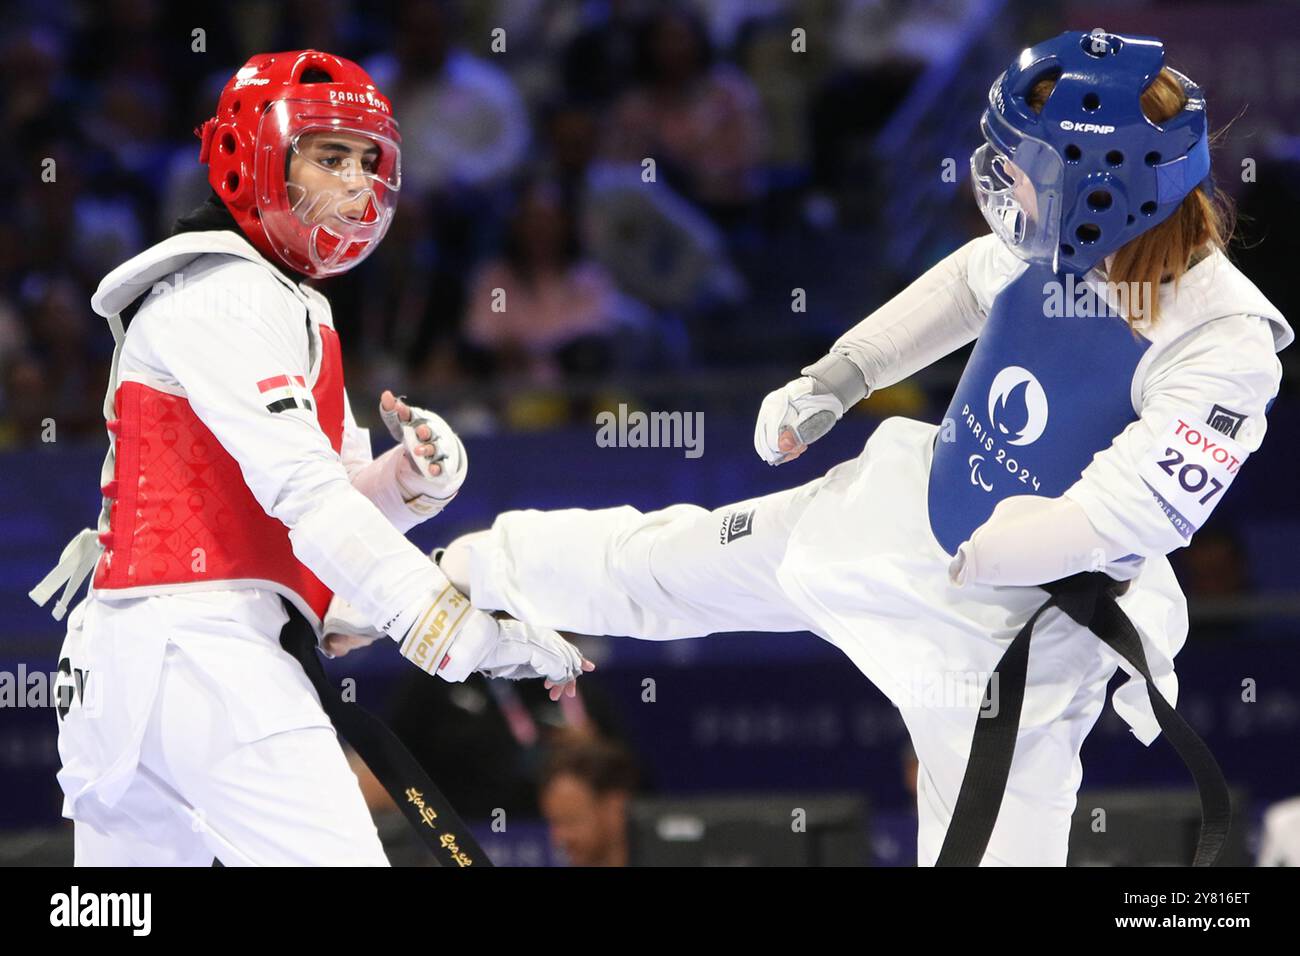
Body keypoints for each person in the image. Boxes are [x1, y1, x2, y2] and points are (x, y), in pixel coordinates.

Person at [438, 31, 1292, 866]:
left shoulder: (1223, 341)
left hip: (1010, 644)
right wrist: (842, 374)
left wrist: (1048, 536)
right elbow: (966, 282)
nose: (1000, 188)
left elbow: (1140, 501)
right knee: (665, 566)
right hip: (894, 520)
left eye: (1026, 168)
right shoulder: (1064, 238)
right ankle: (467, 569)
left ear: (1112, 186)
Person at [30, 50, 592, 867]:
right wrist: (453, 633)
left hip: (145, 664)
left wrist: (406, 482)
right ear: (250, 155)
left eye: (369, 162)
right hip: (204, 655)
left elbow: (312, 515)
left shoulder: (286, 300)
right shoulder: (222, 292)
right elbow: (308, 501)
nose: (357, 184)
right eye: (329, 158)